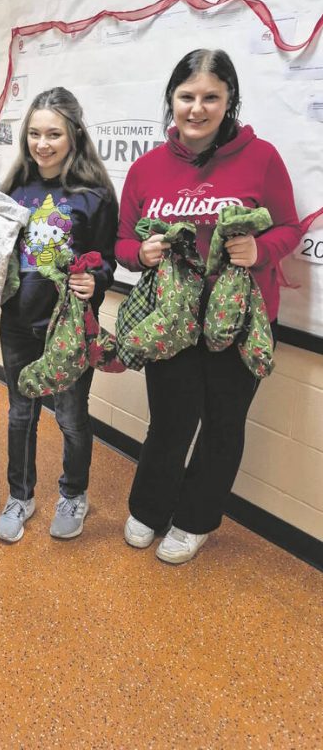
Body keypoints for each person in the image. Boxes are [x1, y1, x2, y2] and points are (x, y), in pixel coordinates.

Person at [116, 48, 300, 564]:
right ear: (171, 100)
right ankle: (149, 509)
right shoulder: (147, 168)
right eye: (186, 96)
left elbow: (289, 226)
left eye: (211, 97)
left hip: (240, 319)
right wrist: (142, 253)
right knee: (170, 422)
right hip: (171, 320)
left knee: (223, 424)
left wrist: (261, 250)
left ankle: (195, 520)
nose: (197, 108)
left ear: (229, 101)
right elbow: (122, 242)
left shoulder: (261, 158)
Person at [0, 87, 118, 543]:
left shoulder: (94, 194)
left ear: (73, 136)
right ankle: (20, 495)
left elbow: (106, 258)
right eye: (33, 134)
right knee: (20, 414)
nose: (42, 144)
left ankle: (73, 494)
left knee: (70, 416)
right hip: (18, 323)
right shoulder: (14, 189)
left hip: (66, 327)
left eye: (53, 134)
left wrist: (95, 279)